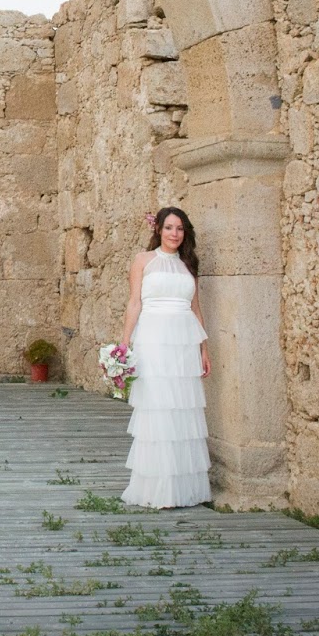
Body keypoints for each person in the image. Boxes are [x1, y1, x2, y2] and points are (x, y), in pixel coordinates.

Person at [119, 206, 211, 509]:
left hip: (184, 342)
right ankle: (158, 489)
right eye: (170, 227)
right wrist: (124, 344)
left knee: (182, 409)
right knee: (159, 409)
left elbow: (195, 308)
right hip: (154, 340)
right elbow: (134, 303)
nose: (175, 234)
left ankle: (184, 489)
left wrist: (204, 348)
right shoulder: (143, 261)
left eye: (180, 229)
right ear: (158, 229)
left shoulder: (188, 264)